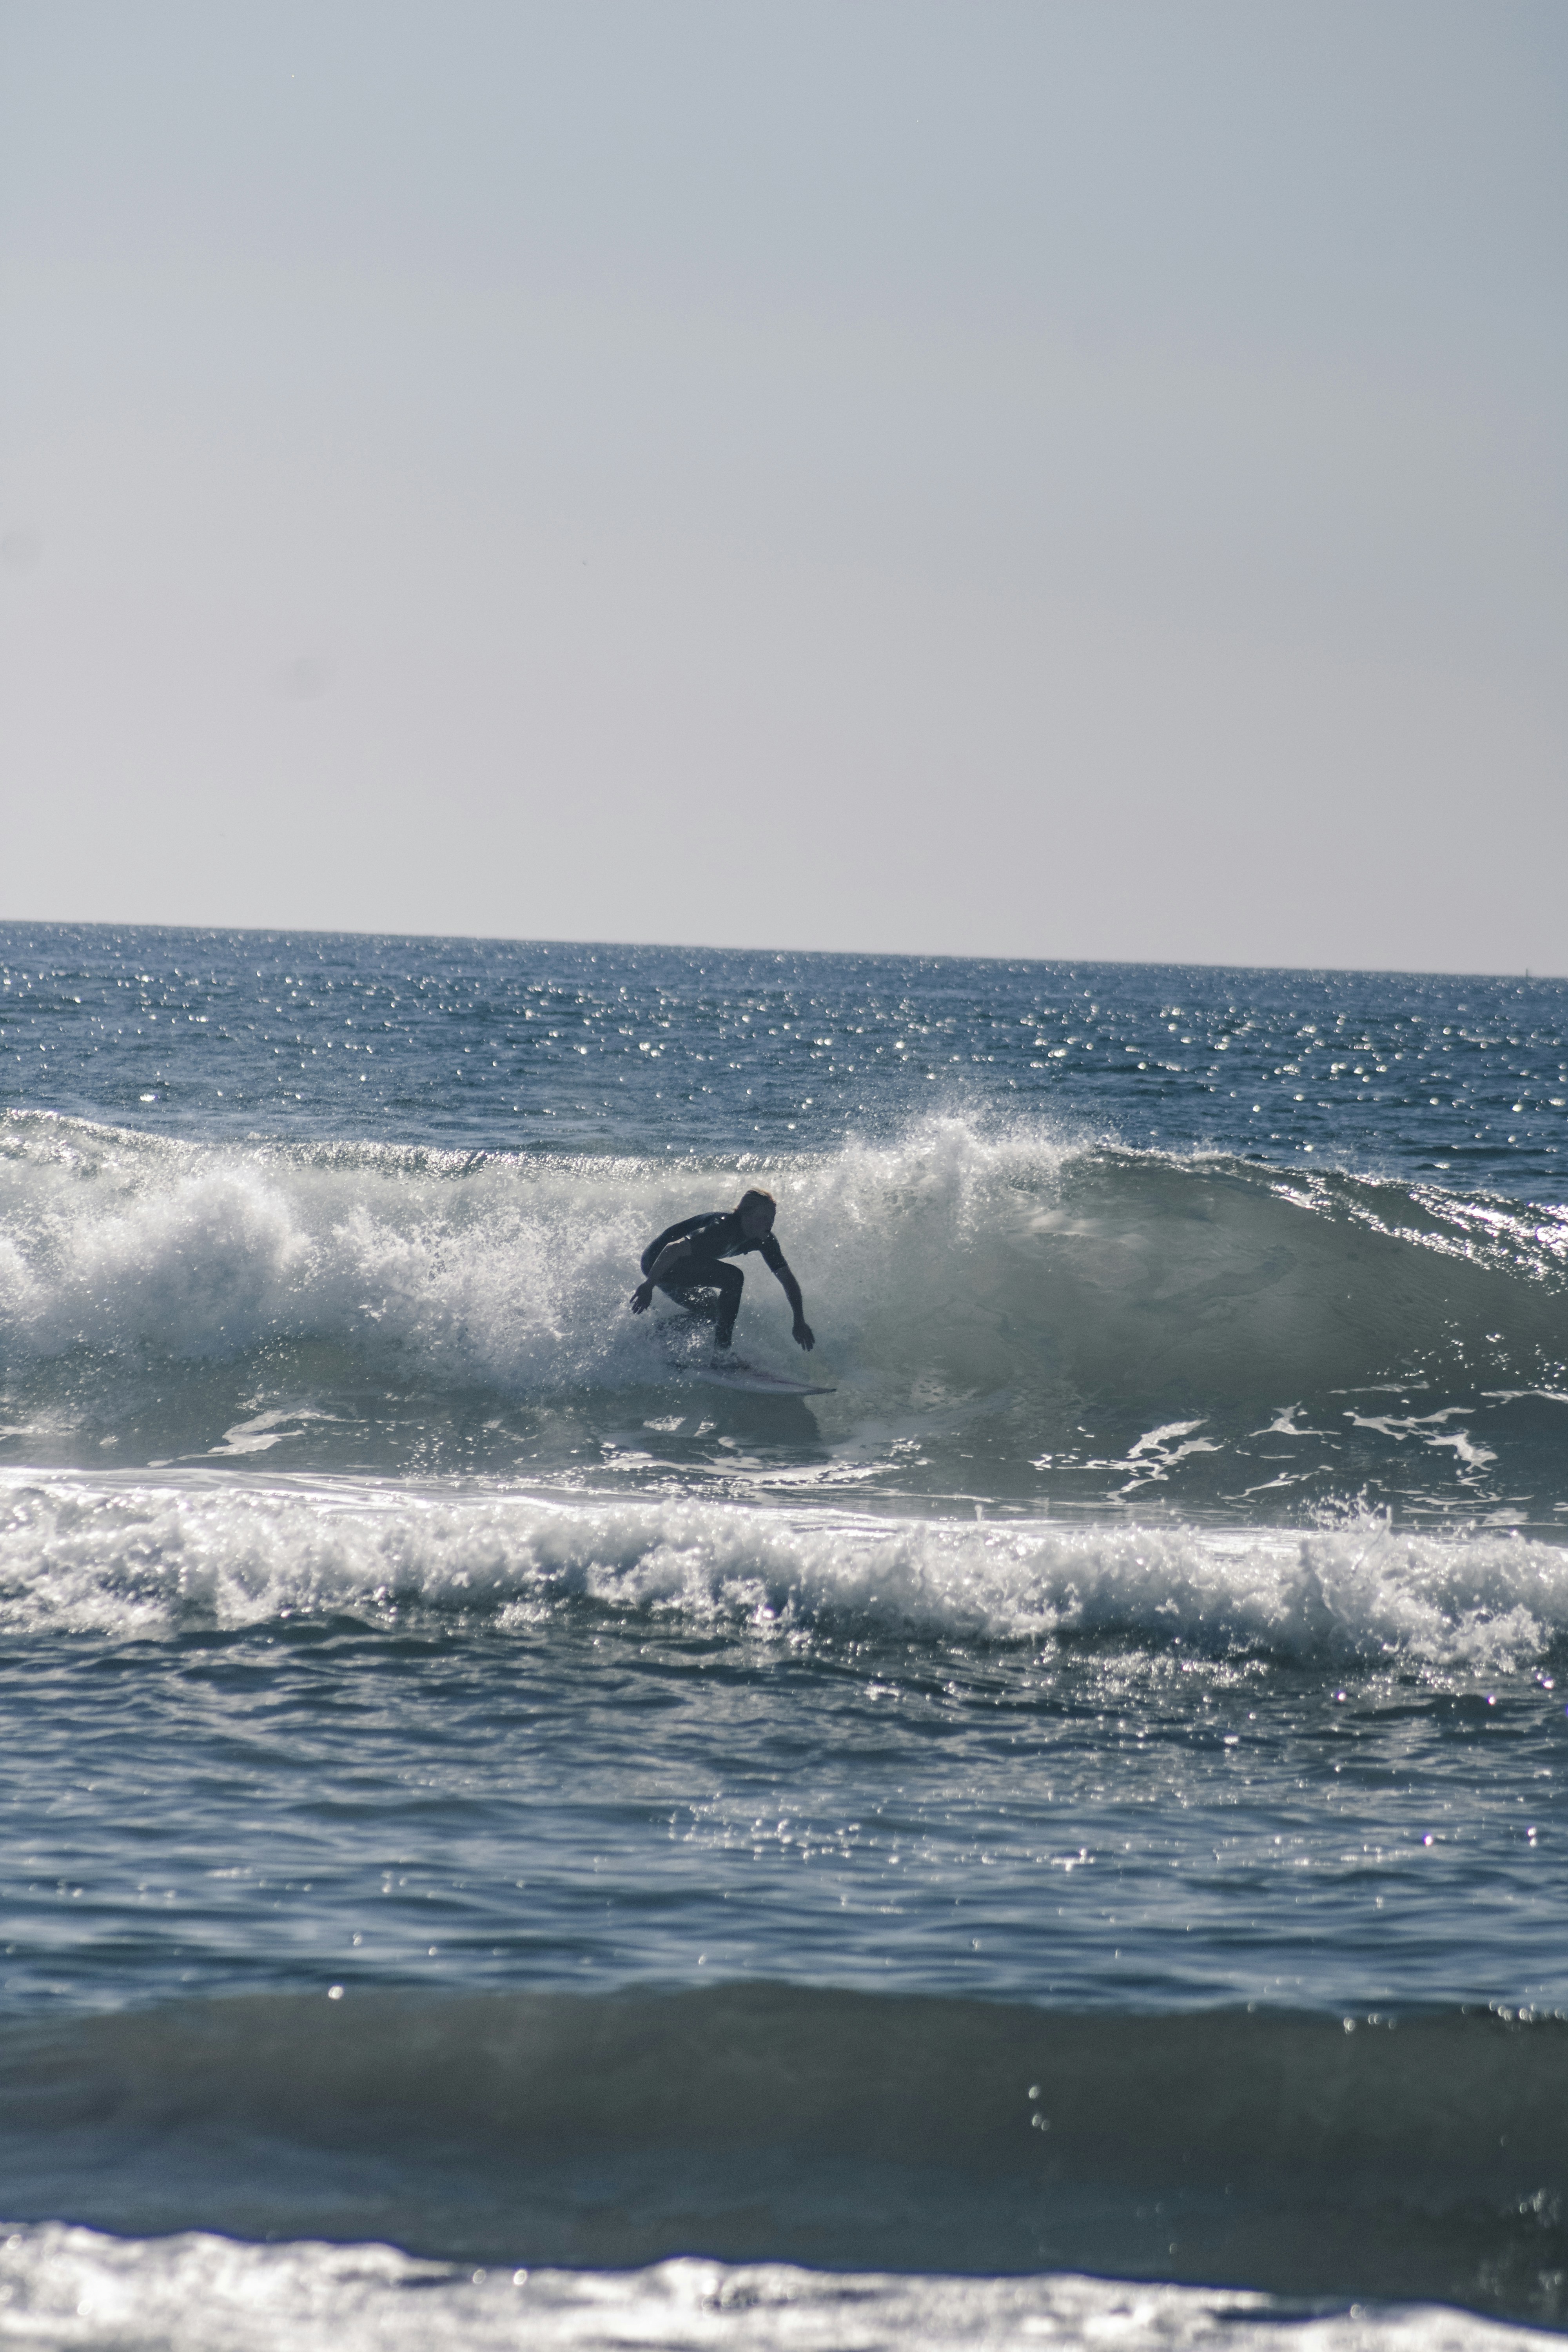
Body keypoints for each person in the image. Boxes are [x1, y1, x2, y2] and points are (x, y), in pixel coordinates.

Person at [630, 1188, 815, 1356]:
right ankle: (722, 1355)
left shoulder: (765, 1240)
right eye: (764, 1217)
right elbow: (673, 1249)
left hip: (677, 1265)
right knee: (734, 1278)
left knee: (713, 1312)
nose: (770, 1223)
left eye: (772, 1218)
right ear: (746, 1215)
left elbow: (787, 1279)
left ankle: (658, 1333)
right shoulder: (722, 1228)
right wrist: (649, 1286)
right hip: (658, 1261)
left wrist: (799, 1319)